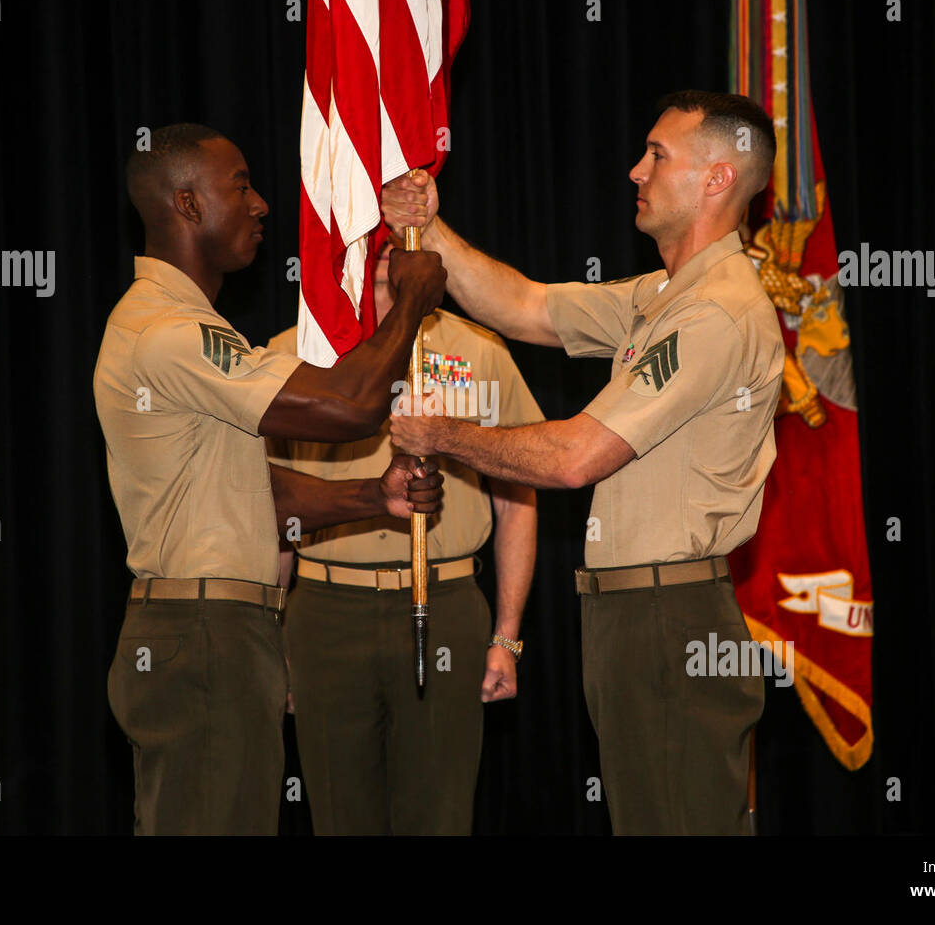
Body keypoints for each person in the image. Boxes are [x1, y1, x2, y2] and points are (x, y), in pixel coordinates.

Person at [382, 91, 786, 834]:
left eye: (658, 156)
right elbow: (526, 305)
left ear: (717, 179)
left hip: (670, 616)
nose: (635, 171)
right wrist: (427, 224)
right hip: (639, 611)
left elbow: (574, 458)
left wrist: (440, 434)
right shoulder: (664, 295)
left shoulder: (714, 312)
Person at [93, 123, 447, 834]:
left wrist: (367, 499)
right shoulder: (171, 332)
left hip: (210, 628)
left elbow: (253, 489)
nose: (260, 205)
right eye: (241, 185)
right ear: (187, 205)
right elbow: (348, 407)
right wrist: (409, 302)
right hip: (204, 633)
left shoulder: (180, 325)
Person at [266, 241, 544, 835]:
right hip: (323, 614)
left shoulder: (479, 350)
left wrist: (508, 637)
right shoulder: (292, 352)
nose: (382, 240)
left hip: (445, 605)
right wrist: (274, 636)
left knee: (440, 816)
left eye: (393, 224)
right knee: (339, 816)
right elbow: (274, 505)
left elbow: (518, 498)